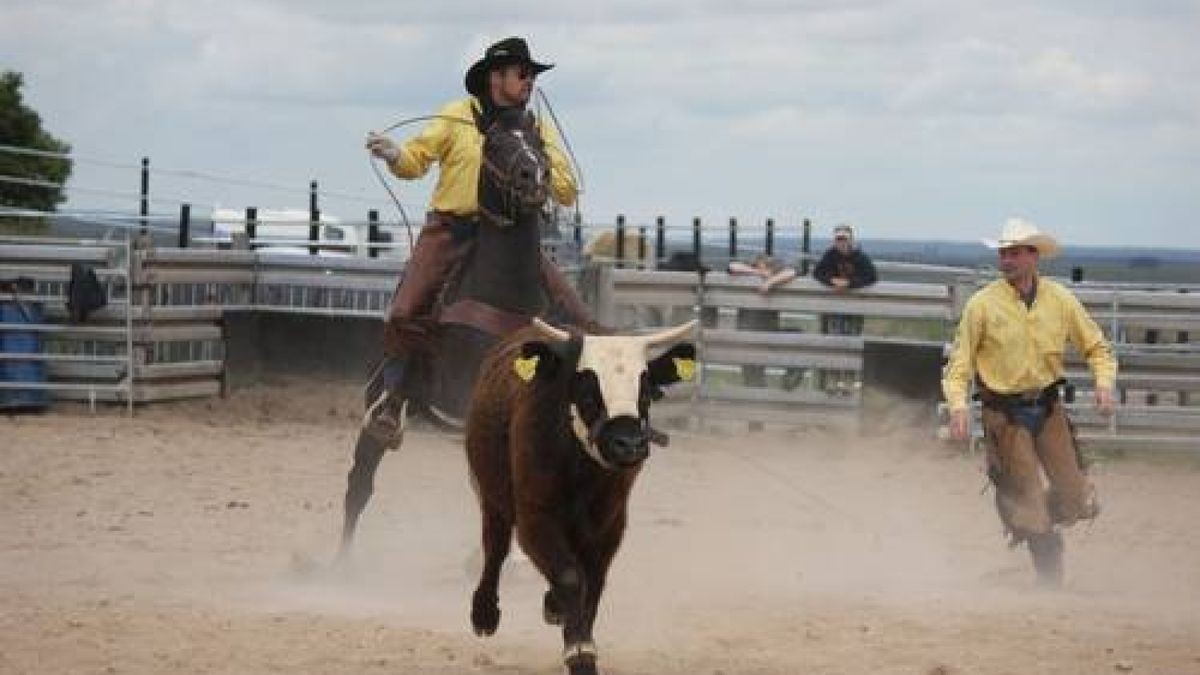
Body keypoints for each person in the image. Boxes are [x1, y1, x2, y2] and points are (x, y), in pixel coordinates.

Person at [362, 37, 595, 444]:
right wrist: (394, 154)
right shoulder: (456, 116)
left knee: (576, 313)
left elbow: (566, 188)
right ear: (496, 77)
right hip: (452, 229)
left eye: (531, 76)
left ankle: (586, 404)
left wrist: (543, 176)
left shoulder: (534, 127)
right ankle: (395, 396)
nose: (528, 83)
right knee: (404, 310)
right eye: (522, 74)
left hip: (511, 236)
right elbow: (416, 162)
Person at [943, 217, 1116, 586]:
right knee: (1027, 494)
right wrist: (958, 407)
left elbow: (1096, 347)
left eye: (1015, 253)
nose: (1007, 260)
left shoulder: (1060, 300)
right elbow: (959, 365)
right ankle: (1047, 570)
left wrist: (1104, 383)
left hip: (1049, 407)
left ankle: (1033, 521)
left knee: (1073, 493)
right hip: (1004, 413)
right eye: (1004, 253)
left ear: (1034, 256)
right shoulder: (982, 305)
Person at [812, 223, 877, 392]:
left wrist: (849, 284)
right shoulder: (830, 255)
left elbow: (871, 277)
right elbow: (818, 273)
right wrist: (832, 281)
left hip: (854, 308)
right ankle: (833, 380)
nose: (841, 242)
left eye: (844, 239)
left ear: (851, 240)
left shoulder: (860, 257)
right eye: (838, 239)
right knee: (834, 343)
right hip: (835, 308)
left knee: (852, 343)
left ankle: (849, 380)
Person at [727, 254, 798, 388]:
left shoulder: (775, 275)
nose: (764, 268)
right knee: (751, 373)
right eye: (760, 264)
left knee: (798, 338)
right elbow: (732, 267)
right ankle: (754, 397)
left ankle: (786, 382)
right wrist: (758, 273)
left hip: (769, 330)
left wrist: (770, 281)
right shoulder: (748, 271)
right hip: (747, 332)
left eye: (766, 266)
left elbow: (792, 271)